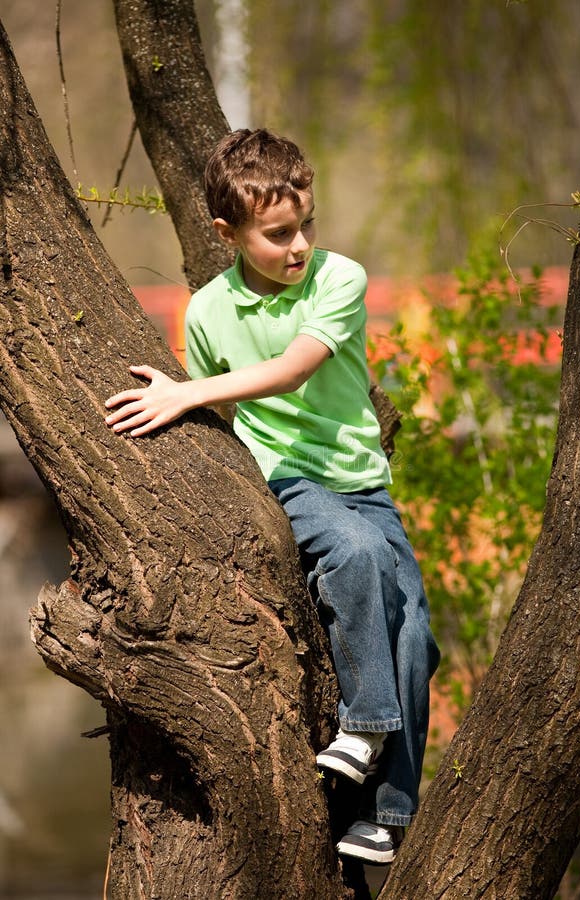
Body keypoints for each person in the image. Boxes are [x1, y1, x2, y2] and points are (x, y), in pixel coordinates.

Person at [104, 128, 440, 866]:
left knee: (418, 634)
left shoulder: (338, 278)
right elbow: (222, 415)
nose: (299, 246)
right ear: (227, 233)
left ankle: (385, 816)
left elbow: (293, 369)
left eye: (307, 225)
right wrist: (185, 398)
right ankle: (368, 723)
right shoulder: (208, 312)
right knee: (350, 555)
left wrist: (191, 390)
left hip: (365, 485)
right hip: (287, 477)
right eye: (279, 233)